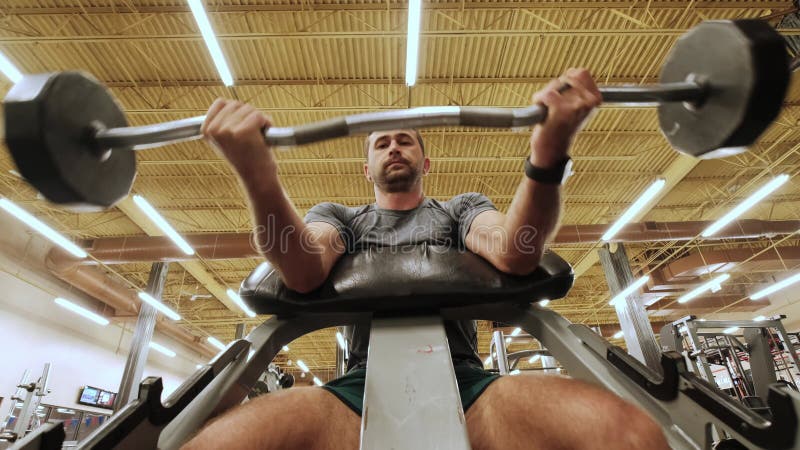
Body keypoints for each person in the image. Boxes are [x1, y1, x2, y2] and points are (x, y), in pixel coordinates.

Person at [183, 69, 669, 449]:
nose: (393, 145)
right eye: (381, 143)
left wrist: (548, 154)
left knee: (629, 435)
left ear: (426, 161)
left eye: (405, 139)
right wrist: (257, 174)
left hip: (468, 383)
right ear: (367, 167)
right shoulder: (340, 217)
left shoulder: (462, 209)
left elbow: (516, 253)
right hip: (358, 389)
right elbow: (304, 266)